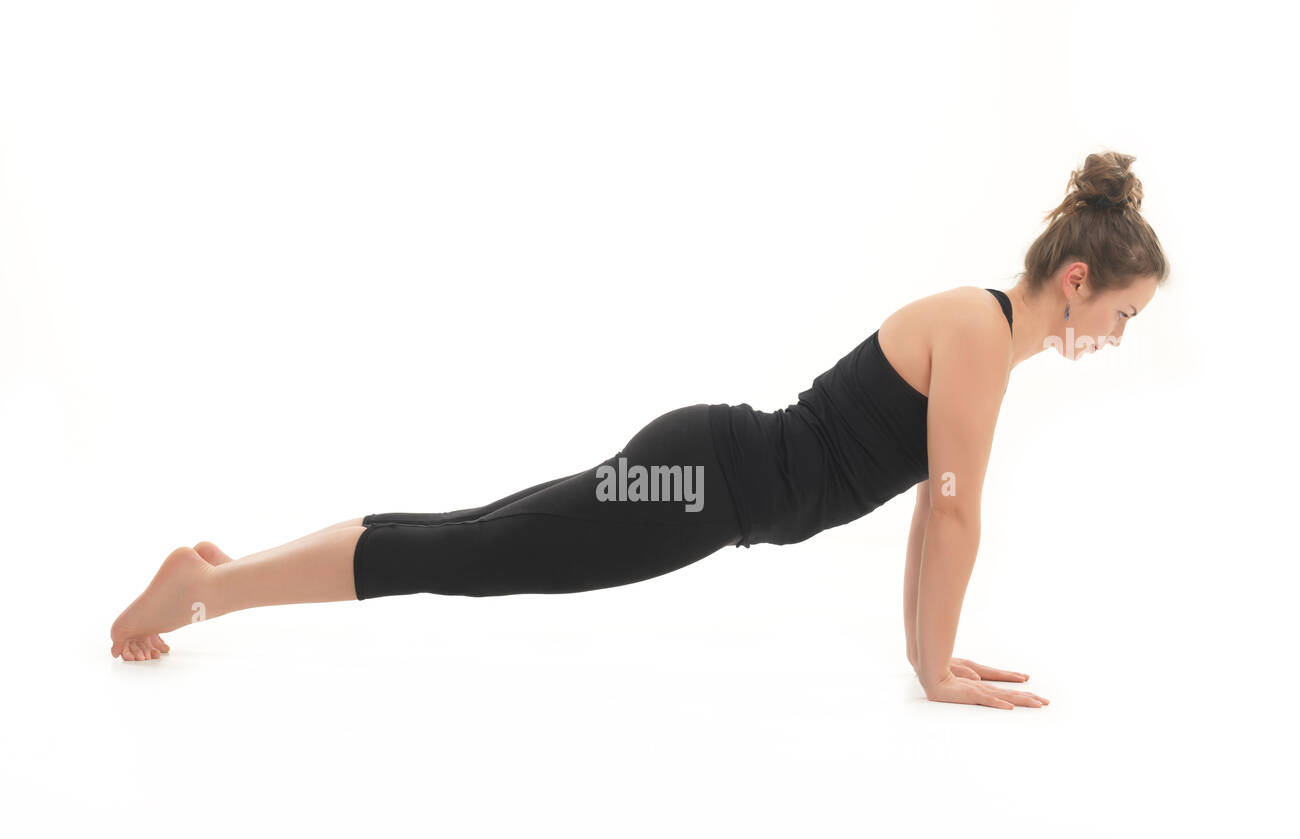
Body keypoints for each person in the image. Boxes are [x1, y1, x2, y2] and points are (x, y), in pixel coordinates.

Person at [110, 150, 1168, 709]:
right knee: (476, 551)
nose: (1119, 337)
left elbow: (935, 519)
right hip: (694, 487)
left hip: (701, 472)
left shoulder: (980, 333)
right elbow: (953, 521)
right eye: (1123, 313)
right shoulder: (981, 338)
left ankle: (219, 571)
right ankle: (207, 589)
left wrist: (925, 660)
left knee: (475, 534)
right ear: (1076, 280)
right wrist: (934, 669)